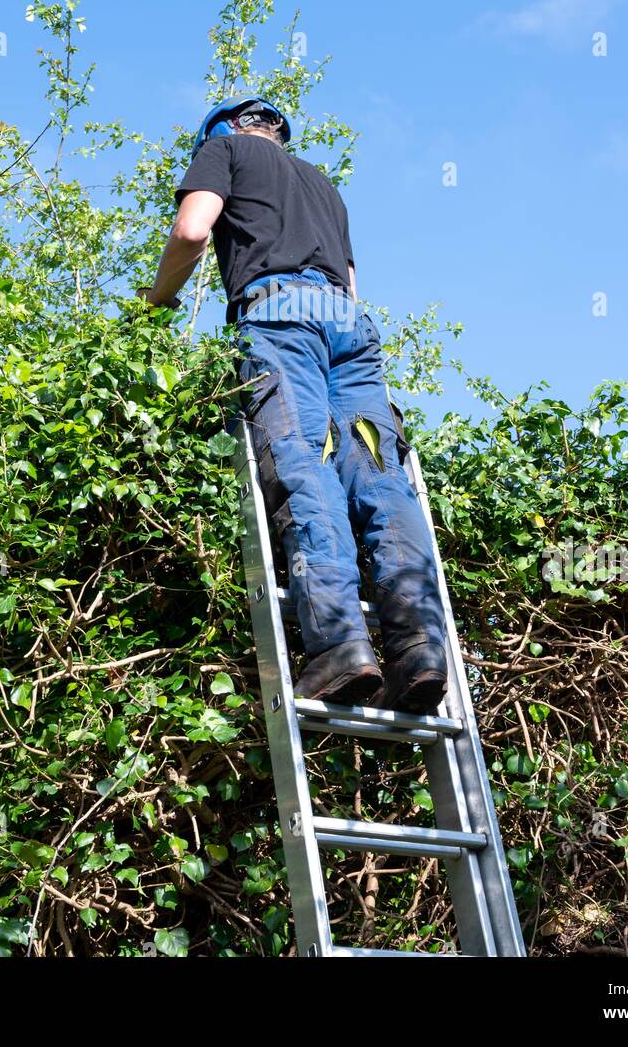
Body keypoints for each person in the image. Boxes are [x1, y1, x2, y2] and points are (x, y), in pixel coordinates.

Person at [139, 96, 448, 714]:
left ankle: (339, 646)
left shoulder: (222, 149)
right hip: (350, 326)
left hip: (280, 314)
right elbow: (352, 285)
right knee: (379, 473)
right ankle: (419, 649)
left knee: (302, 460)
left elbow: (192, 231)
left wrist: (156, 302)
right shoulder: (323, 184)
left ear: (225, 131)